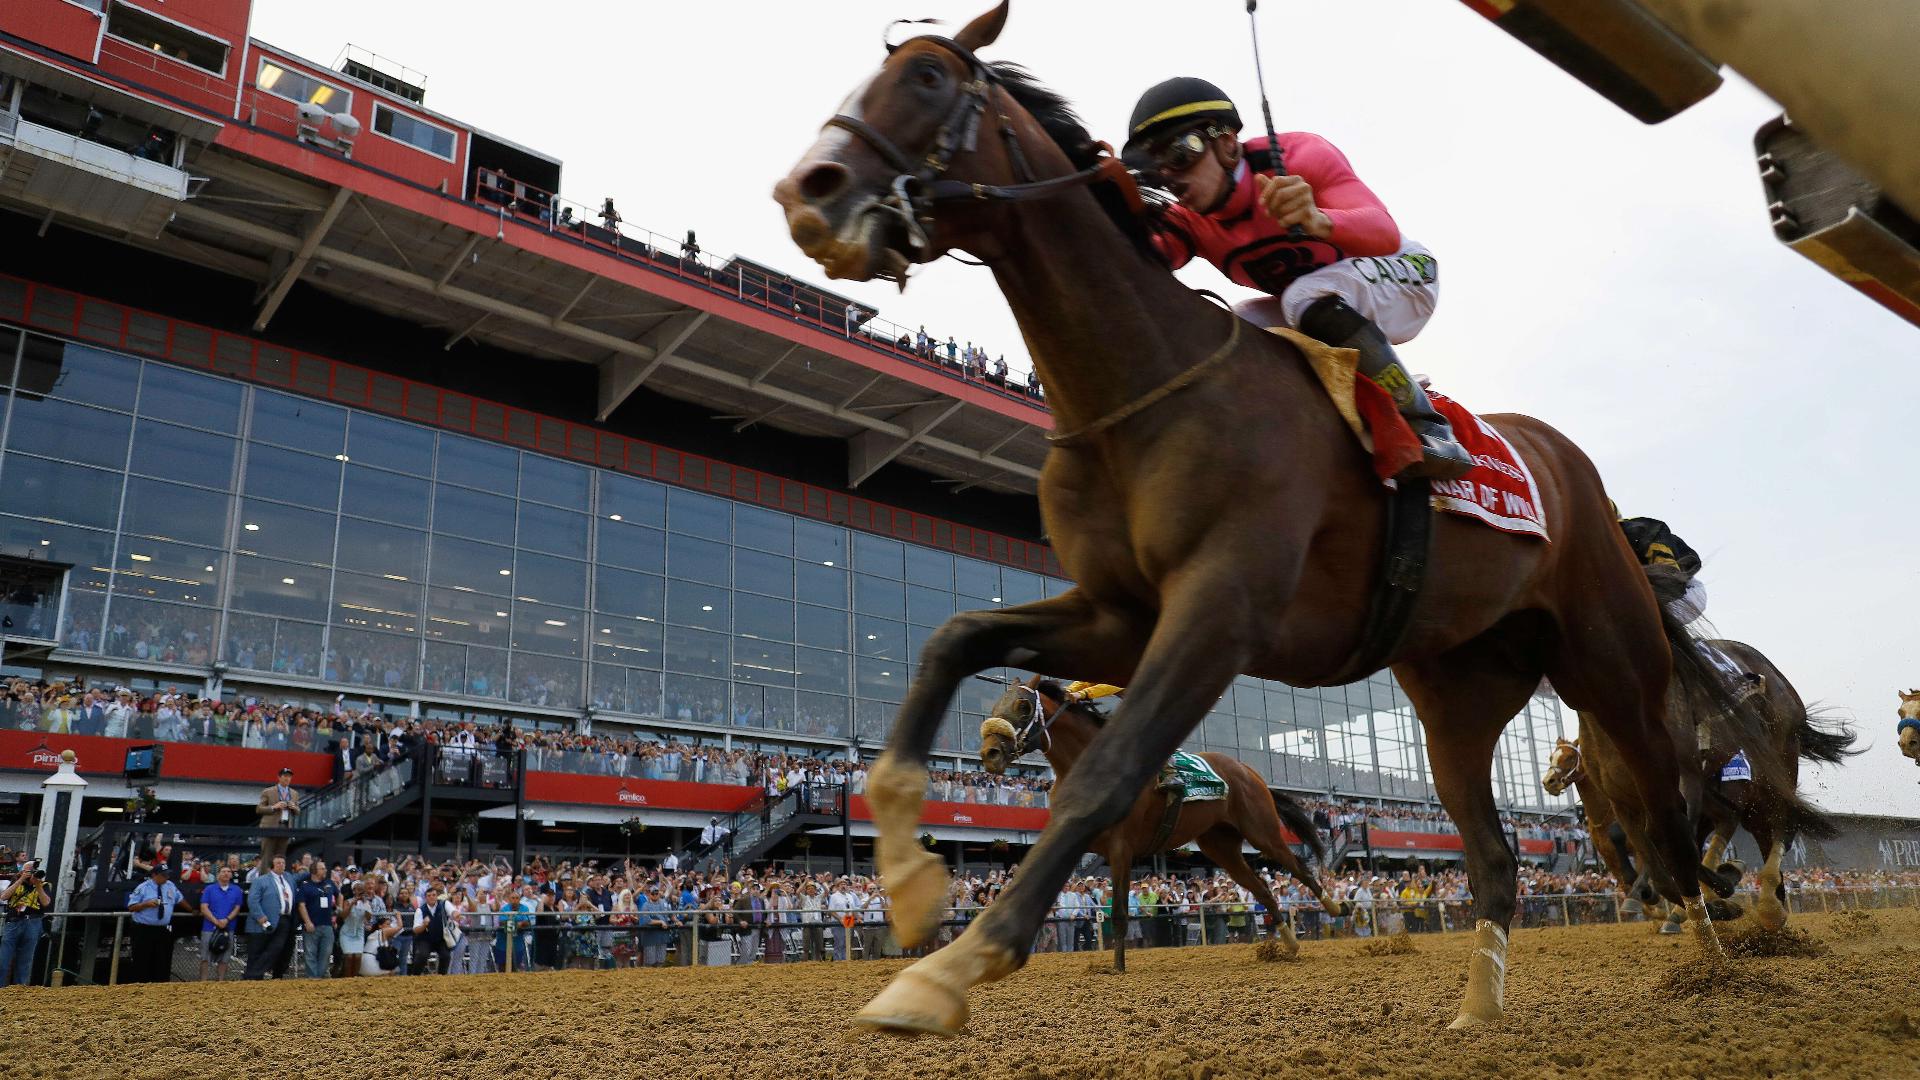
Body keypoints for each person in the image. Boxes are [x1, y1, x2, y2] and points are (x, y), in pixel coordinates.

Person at [1123, 77, 1470, 479]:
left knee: (1302, 296)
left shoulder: (1298, 155)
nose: (1172, 178)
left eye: (1182, 153)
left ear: (1228, 142)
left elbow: (1383, 233)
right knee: (1233, 329)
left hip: (1406, 273)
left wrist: (1319, 221)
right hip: (1319, 300)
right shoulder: (1188, 220)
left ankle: (1427, 426)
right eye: (1157, 169)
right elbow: (1138, 268)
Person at [126, 864, 183, 983]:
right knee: (142, 958)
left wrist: (192, 910)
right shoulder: (143, 887)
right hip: (143, 929)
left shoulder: (170, 886)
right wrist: (146, 904)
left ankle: (161, 985)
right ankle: (140, 984)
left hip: (163, 929)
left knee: (162, 959)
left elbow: (180, 899)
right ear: (154, 875)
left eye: (167, 875)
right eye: (163, 875)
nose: (166, 877)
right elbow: (131, 907)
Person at [245, 854, 297, 980]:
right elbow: (252, 900)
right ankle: (253, 976)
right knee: (258, 950)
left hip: (284, 919)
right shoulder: (260, 880)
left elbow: (303, 876)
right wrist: (260, 916)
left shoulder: (289, 878)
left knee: (279, 948)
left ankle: (275, 976)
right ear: (272, 866)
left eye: (283, 863)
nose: (281, 865)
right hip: (264, 921)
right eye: (278, 863)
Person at [0, 860, 51, 986]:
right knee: (3, 960)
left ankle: (19, 991)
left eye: (32, 871)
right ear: (22, 871)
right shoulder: (16, 881)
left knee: (24, 962)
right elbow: (4, 897)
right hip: (13, 922)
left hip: (33, 922)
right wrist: (21, 879)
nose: (31, 874)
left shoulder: (44, 885)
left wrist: (38, 885)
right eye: (28, 871)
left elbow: (46, 903)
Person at [197, 864, 244, 981]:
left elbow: (237, 908)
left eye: (229, 871)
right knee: (205, 957)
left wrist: (227, 920)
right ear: (218, 875)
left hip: (228, 928)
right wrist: (216, 921)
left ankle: (221, 982)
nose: (226, 873)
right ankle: (203, 982)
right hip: (209, 927)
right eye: (223, 871)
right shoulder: (209, 889)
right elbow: (204, 908)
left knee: (225, 957)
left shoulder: (237, 890)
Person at [295, 860, 339, 979]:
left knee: (326, 953)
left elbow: (339, 894)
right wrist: (307, 922)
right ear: (314, 871)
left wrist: (337, 911)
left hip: (328, 924)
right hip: (312, 925)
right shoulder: (305, 886)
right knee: (310, 953)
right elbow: (301, 905)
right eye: (322, 868)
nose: (325, 870)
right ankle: (313, 978)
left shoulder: (329, 883)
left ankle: (317, 977)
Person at [256, 767, 300, 863]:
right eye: (285, 776)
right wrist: (274, 807)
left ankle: (278, 876)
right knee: (267, 855)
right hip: (270, 826)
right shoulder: (268, 791)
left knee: (281, 856)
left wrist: (294, 807)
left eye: (289, 776)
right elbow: (259, 809)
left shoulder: (294, 793)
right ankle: (264, 876)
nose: (287, 778)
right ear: (279, 777)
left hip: (286, 826)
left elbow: (298, 812)